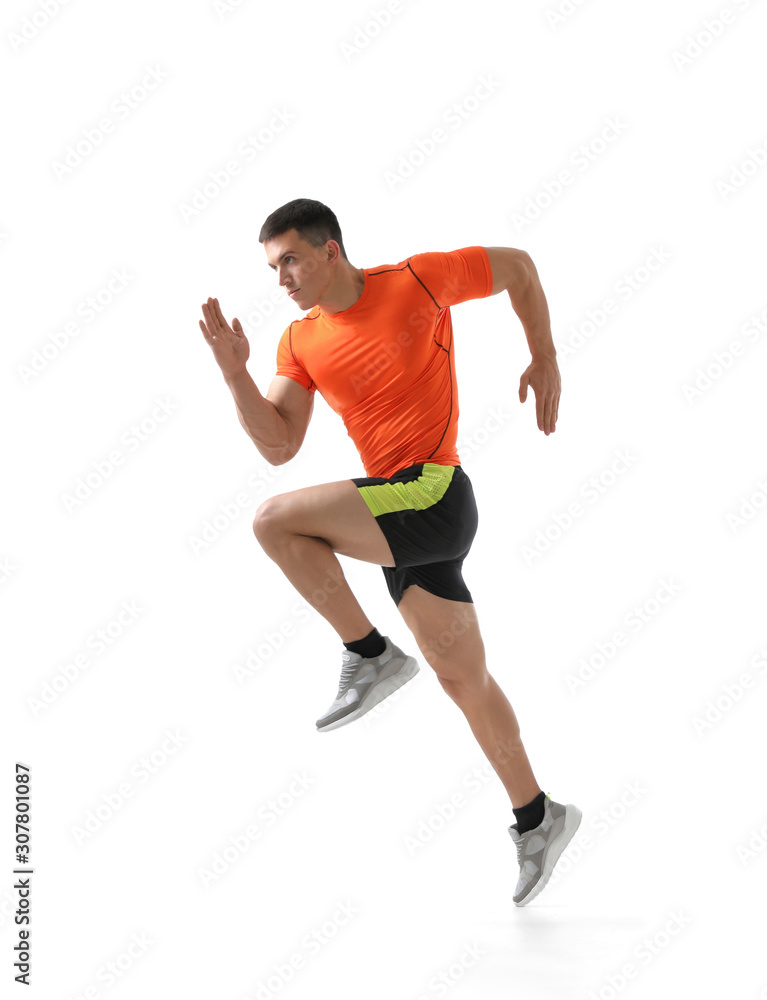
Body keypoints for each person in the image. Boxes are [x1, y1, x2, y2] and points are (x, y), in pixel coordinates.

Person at [198, 197, 581, 906]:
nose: (280, 277)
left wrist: (545, 354)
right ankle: (538, 818)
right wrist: (234, 375)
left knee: (273, 522)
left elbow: (519, 269)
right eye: (271, 266)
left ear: (329, 251)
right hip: (392, 515)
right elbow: (280, 444)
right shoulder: (298, 340)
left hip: (430, 493)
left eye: (289, 259)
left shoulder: (417, 281)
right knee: (464, 682)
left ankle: (370, 655)